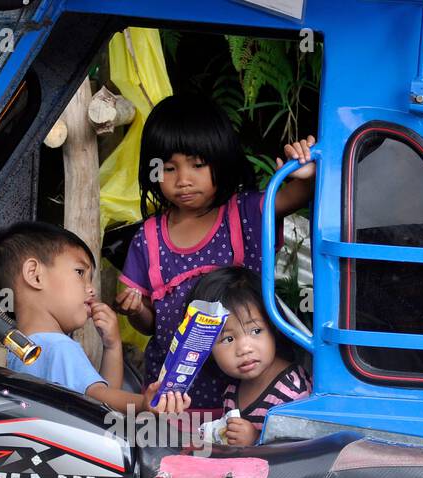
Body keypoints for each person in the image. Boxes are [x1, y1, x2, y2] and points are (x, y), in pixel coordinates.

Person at [113, 92, 315, 409]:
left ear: (221, 160)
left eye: (198, 164)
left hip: (247, 399)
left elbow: (294, 195)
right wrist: (135, 309)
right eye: (169, 168)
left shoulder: (245, 214)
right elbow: (151, 324)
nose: (183, 180)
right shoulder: (148, 238)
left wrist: (306, 172)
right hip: (175, 401)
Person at [0, 221, 189, 415]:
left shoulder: (18, 352)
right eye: (80, 272)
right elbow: (101, 401)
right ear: (35, 275)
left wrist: (112, 346)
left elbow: (103, 399)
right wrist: (144, 403)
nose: (91, 289)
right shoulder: (59, 347)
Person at [196, 267, 311, 446]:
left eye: (256, 330)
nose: (244, 348)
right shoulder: (231, 391)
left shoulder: (292, 391)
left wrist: (256, 440)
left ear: (273, 327)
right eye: (228, 339)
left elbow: (300, 454)